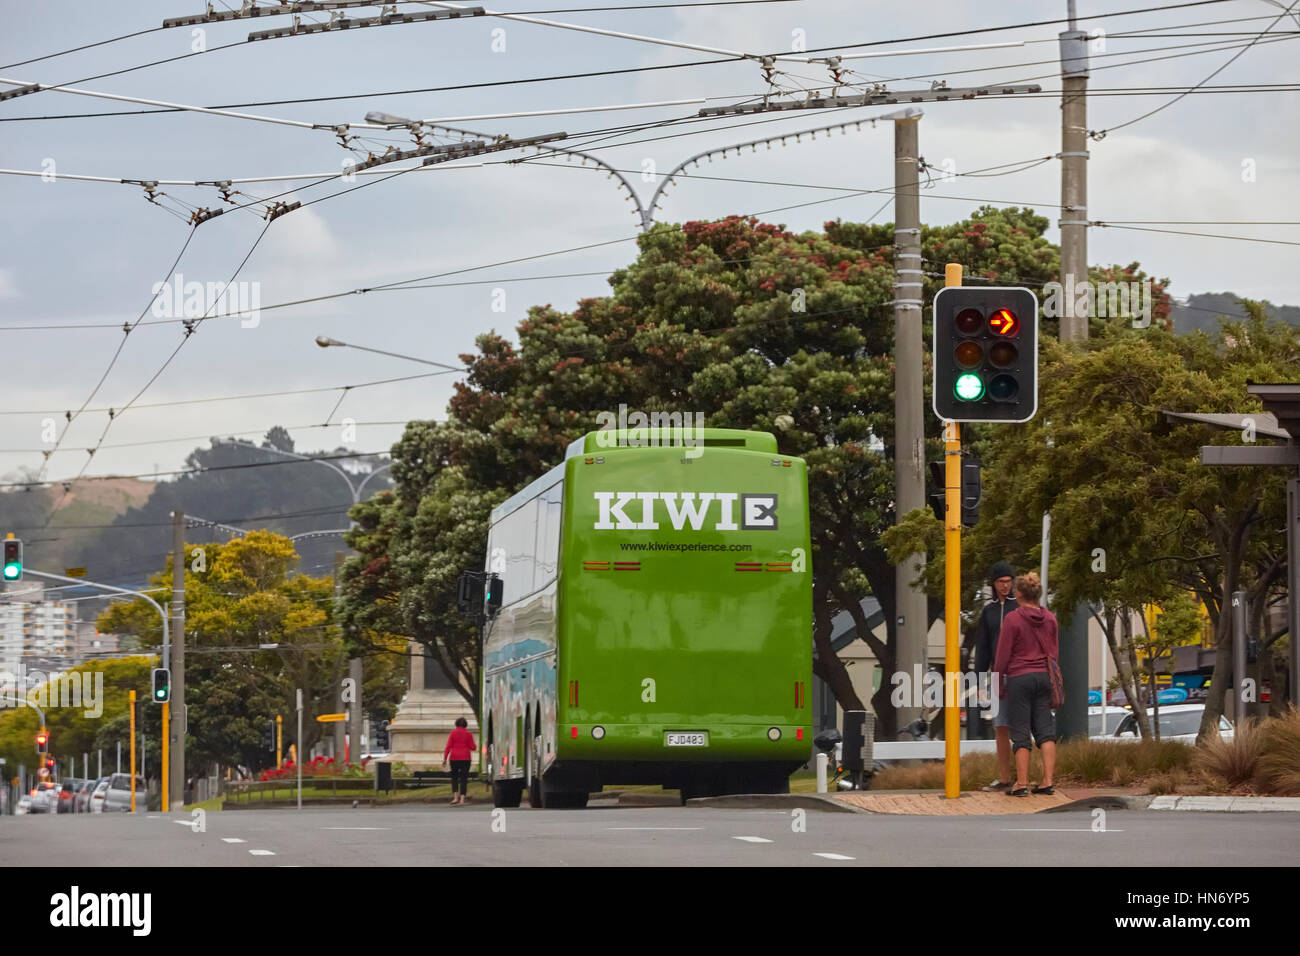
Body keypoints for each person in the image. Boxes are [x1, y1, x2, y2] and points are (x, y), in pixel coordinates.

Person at [993, 572, 1059, 797]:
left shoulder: (1013, 618)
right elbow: (1054, 652)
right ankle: (1047, 782)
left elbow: (1002, 655)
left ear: (1018, 593)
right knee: (1045, 731)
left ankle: (1021, 784)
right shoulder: (1050, 618)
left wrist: (998, 681)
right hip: (1043, 677)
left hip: (1019, 678)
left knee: (1020, 732)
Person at [967, 560, 1018, 790]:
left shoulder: (1020, 607)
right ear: (993, 584)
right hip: (998, 676)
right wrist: (979, 681)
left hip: (1020, 673)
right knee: (1001, 727)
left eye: (1008, 581)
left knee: (1022, 727)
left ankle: (1024, 777)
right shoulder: (988, 612)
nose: (1005, 586)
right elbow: (983, 648)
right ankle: (1005, 777)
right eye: (1000, 582)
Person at [443, 717, 475, 805]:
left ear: (456, 724)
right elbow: (473, 747)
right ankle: (462, 799)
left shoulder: (453, 733)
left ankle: (455, 798)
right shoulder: (469, 734)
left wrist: (445, 758)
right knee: (463, 779)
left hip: (454, 758)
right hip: (465, 758)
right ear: (465, 724)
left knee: (454, 778)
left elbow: (448, 746)